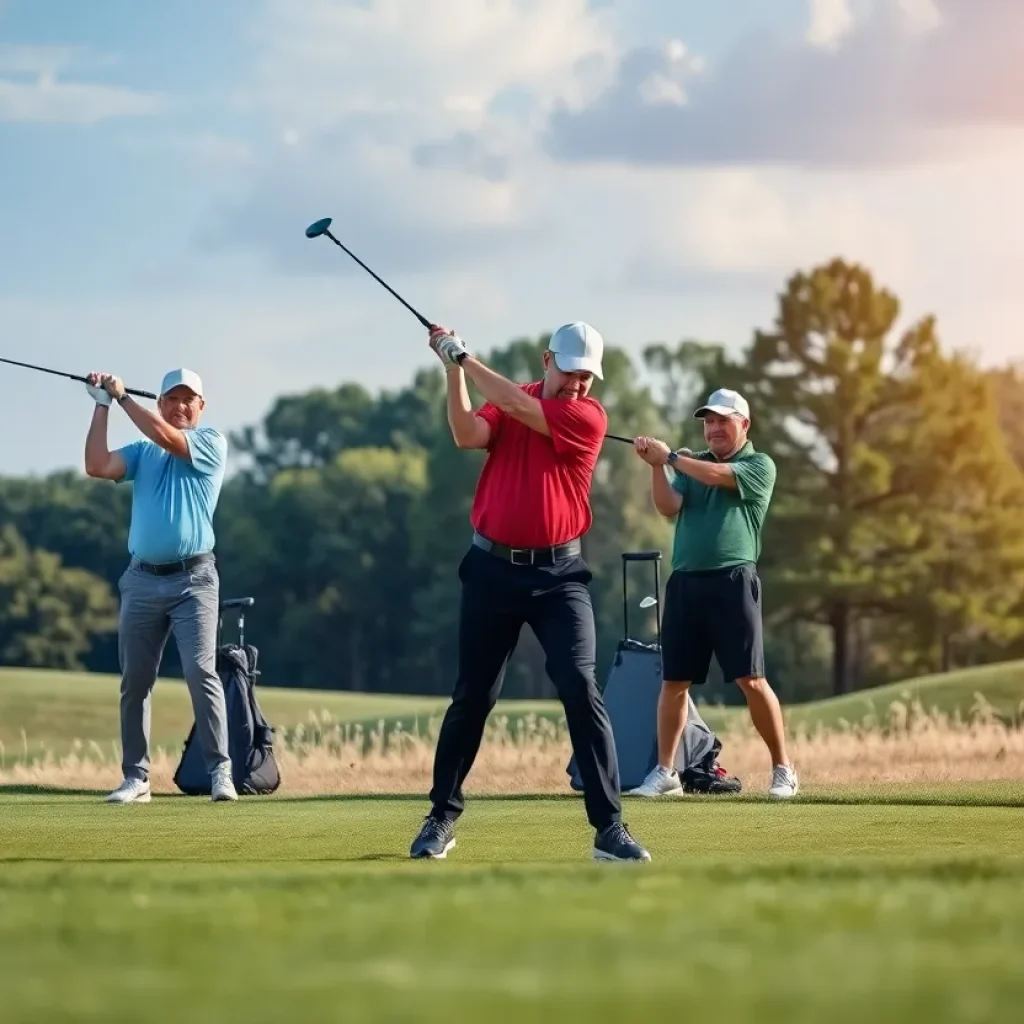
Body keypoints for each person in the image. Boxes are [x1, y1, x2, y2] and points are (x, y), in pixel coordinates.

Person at [408, 322, 651, 862]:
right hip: (491, 569)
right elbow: (467, 434)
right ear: (548, 360)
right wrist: (453, 371)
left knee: (580, 685)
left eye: (588, 377)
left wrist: (465, 357)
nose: (578, 385)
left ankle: (610, 828)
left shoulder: (585, 416)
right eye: (570, 373)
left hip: (559, 578)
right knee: (473, 695)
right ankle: (441, 817)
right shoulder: (511, 398)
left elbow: (518, 407)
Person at [628, 387, 799, 799]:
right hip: (686, 582)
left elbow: (719, 477)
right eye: (709, 421)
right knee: (674, 682)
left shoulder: (759, 465)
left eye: (723, 420)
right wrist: (657, 466)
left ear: (745, 424)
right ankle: (666, 773)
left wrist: (672, 457)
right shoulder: (691, 464)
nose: (714, 428)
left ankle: (783, 769)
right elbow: (668, 507)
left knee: (751, 680)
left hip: (733, 581)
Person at [83, 367, 237, 804]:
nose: (182, 406)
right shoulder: (142, 450)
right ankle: (137, 778)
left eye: (190, 399)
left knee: (199, 672)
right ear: (162, 403)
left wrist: (123, 397)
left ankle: (220, 771)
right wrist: (102, 404)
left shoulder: (210, 444)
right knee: (135, 680)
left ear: (201, 407)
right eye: (173, 398)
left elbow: (171, 439)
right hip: (142, 580)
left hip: (195, 580)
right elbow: (96, 465)